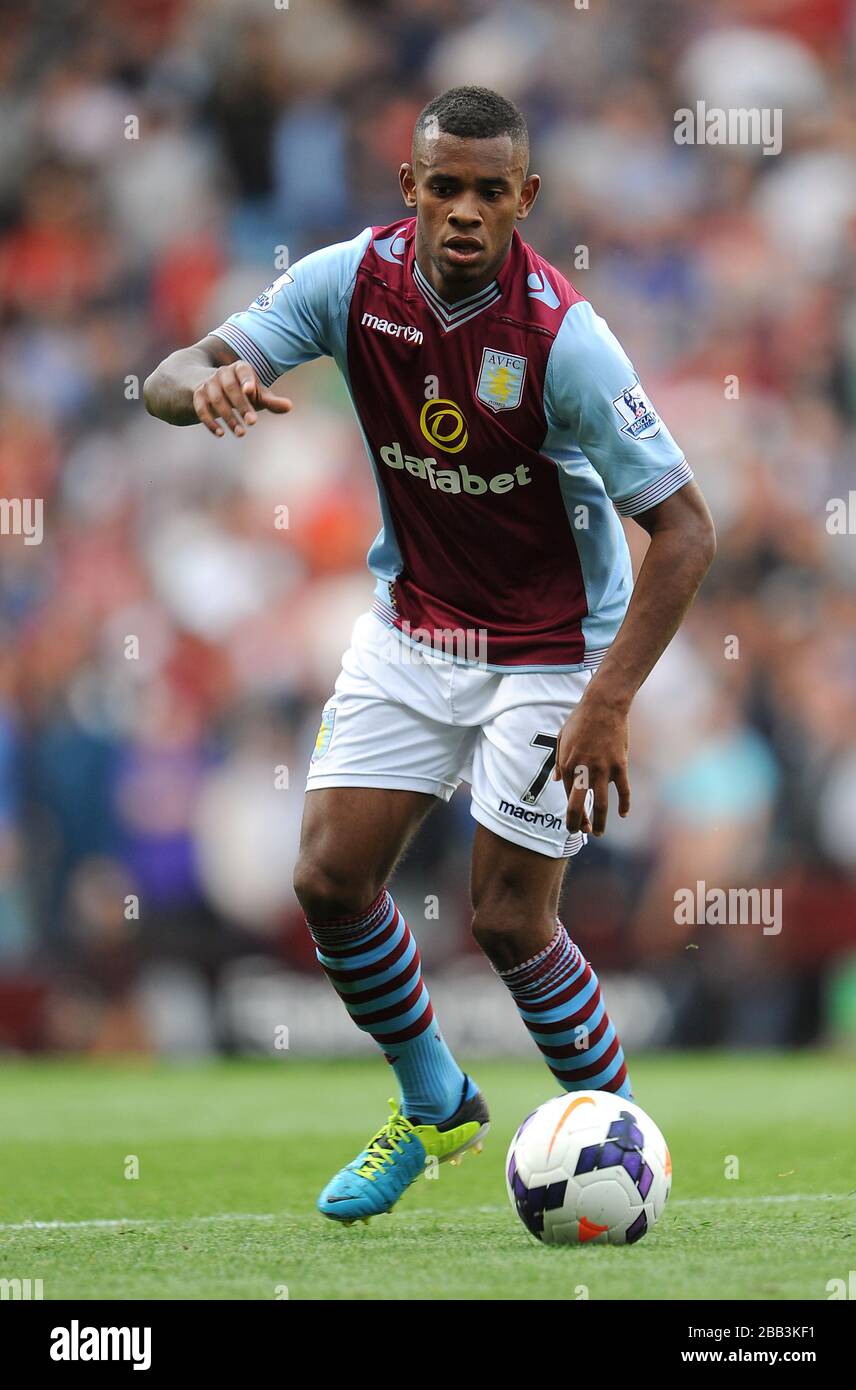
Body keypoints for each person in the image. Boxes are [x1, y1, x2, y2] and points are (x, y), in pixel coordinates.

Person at [144, 86, 716, 1225]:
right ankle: (435, 1102)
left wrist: (607, 700)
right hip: (416, 625)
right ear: (408, 187)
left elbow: (687, 529)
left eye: (487, 191)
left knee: (506, 919)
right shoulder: (347, 280)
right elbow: (168, 374)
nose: (462, 211)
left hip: (555, 648)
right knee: (325, 878)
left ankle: (618, 1136)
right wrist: (197, 382)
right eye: (442, 186)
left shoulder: (563, 338)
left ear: (525, 199)